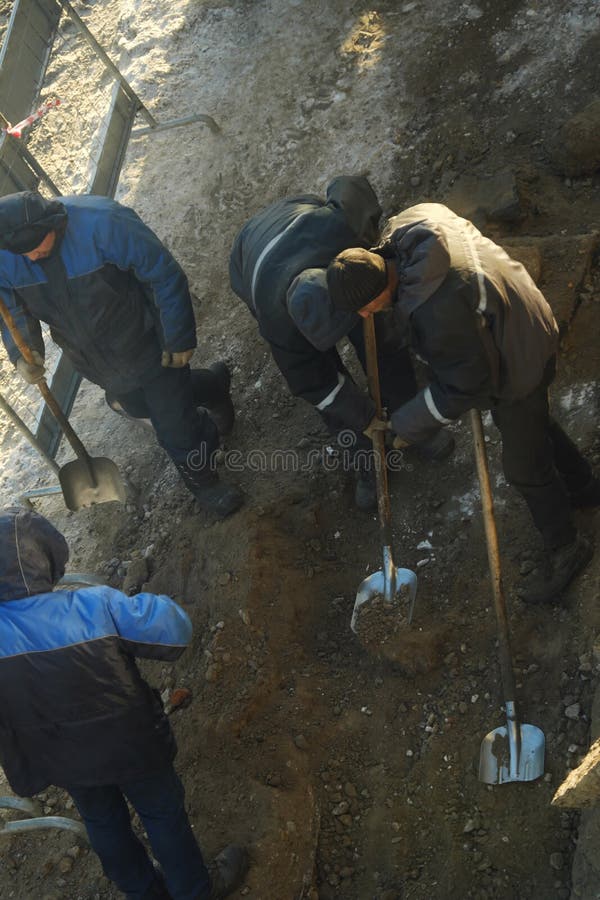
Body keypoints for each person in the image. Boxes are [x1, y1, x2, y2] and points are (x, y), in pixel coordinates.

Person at [327, 202, 599, 604]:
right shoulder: (411, 225)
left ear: (379, 289)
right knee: (530, 422)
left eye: (365, 308)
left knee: (524, 466)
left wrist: (406, 425)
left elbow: (467, 384)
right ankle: (584, 487)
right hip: (517, 309)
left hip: (518, 355)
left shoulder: (435, 310)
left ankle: (566, 547)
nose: (366, 316)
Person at [0, 506, 248, 899]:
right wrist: (150, 603)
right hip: (132, 745)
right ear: (45, 555)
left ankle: (144, 892)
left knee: (102, 821)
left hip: (65, 761)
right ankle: (195, 890)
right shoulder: (93, 606)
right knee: (162, 813)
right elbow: (175, 632)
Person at [0, 191, 242, 519]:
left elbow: (162, 274)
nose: (30, 257)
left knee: (173, 425)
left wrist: (178, 335)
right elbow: (11, 307)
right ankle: (213, 386)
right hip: (97, 363)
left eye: (36, 246)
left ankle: (205, 485)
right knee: (138, 406)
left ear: (52, 223)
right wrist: (23, 354)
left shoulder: (103, 223)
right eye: (22, 252)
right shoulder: (9, 252)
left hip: (147, 342)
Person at [229, 176, 453, 510]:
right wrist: (364, 417)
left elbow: (349, 185)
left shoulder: (339, 230)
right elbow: (315, 385)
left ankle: (412, 418)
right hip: (248, 259)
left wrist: (372, 248)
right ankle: (367, 459)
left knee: (381, 333)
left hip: (299, 220)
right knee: (332, 398)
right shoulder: (277, 326)